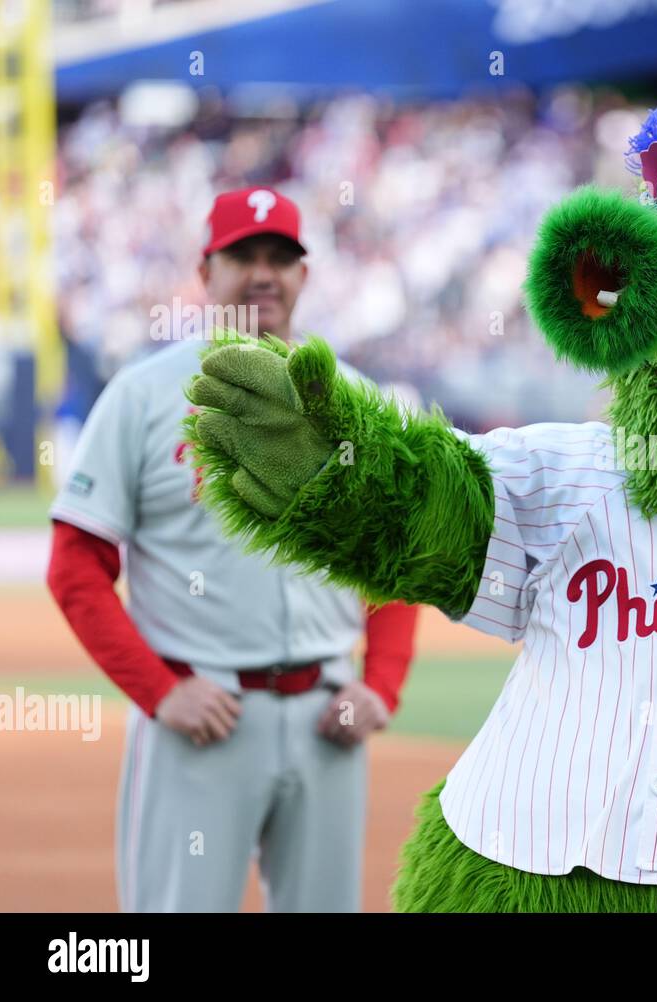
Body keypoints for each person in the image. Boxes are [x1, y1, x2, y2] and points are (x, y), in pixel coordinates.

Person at [46, 186, 419, 912]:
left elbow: (394, 558)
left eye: (280, 257)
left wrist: (381, 684)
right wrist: (159, 692)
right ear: (205, 271)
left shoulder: (356, 402)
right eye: (242, 255)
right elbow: (75, 567)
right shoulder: (144, 396)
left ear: (303, 276)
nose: (263, 273)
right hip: (200, 721)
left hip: (325, 724)